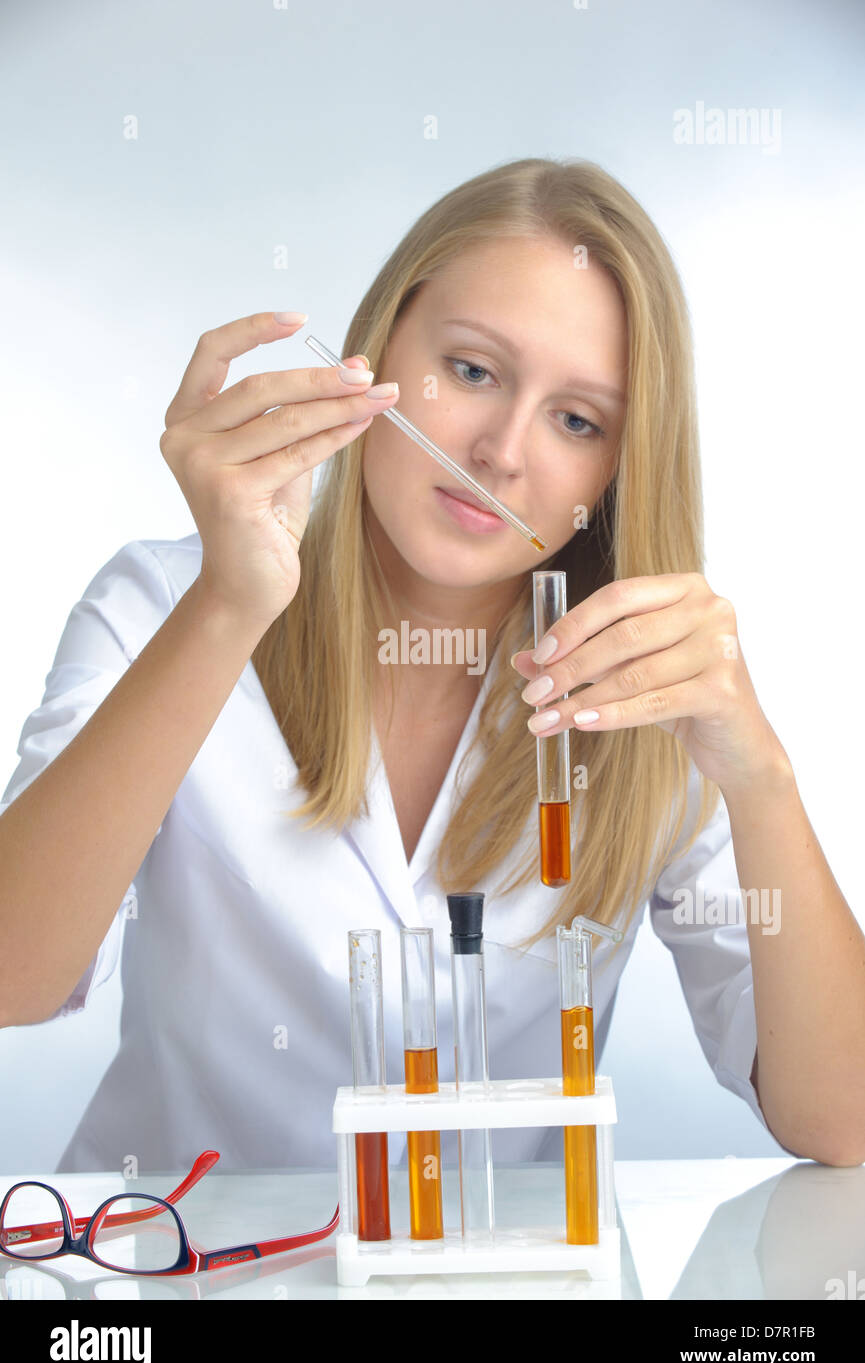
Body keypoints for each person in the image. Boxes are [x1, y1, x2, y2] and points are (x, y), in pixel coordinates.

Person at [1, 158, 863, 1176]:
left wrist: (759, 774)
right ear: (373, 353)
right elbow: (14, 977)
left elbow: (841, 1122)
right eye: (471, 370)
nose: (501, 450)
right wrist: (227, 607)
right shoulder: (158, 607)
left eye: (576, 420)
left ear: (618, 469)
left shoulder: (648, 695)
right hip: (175, 1274)